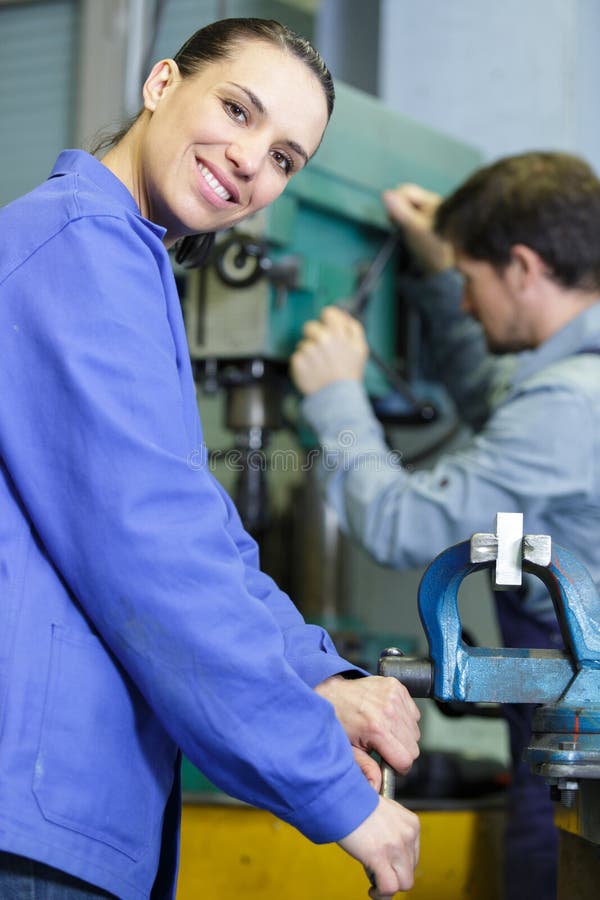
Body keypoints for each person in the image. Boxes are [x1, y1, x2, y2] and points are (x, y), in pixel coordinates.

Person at [0, 17, 422, 900]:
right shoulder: (80, 246)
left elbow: (193, 523)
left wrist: (315, 675)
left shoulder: (122, 256)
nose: (249, 161)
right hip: (34, 815)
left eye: (284, 157)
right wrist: (325, 781)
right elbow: (157, 550)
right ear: (161, 84)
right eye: (237, 110)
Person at [290, 151, 600, 900]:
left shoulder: (571, 405)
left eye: (469, 279)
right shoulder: (571, 381)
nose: (462, 304)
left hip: (583, 747)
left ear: (523, 267)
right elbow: (504, 406)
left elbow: (399, 525)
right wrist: (437, 271)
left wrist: (335, 399)